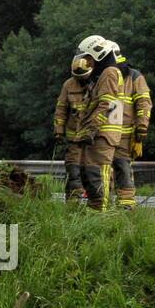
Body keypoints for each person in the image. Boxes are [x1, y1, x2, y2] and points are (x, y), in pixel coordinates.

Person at [76, 34, 123, 212]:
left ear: (98, 55)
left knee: (99, 172)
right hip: (99, 132)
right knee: (91, 171)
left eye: (89, 58)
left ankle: (100, 210)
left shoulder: (110, 72)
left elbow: (107, 104)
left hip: (103, 133)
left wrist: (91, 128)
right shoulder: (104, 74)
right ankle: (97, 207)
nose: (87, 63)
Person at [112, 46, 153, 210]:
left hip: (125, 134)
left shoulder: (134, 76)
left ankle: (126, 204)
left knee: (122, 166)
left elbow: (144, 103)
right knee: (102, 169)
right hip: (102, 133)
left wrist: (141, 128)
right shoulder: (102, 75)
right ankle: (102, 203)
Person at [54, 54, 93, 201]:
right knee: (73, 169)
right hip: (74, 136)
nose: (81, 80)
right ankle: (73, 202)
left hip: (92, 137)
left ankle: (95, 201)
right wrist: (58, 131)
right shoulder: (68, 85)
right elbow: (61, 109)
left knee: (92, 171)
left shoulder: (98, 83)